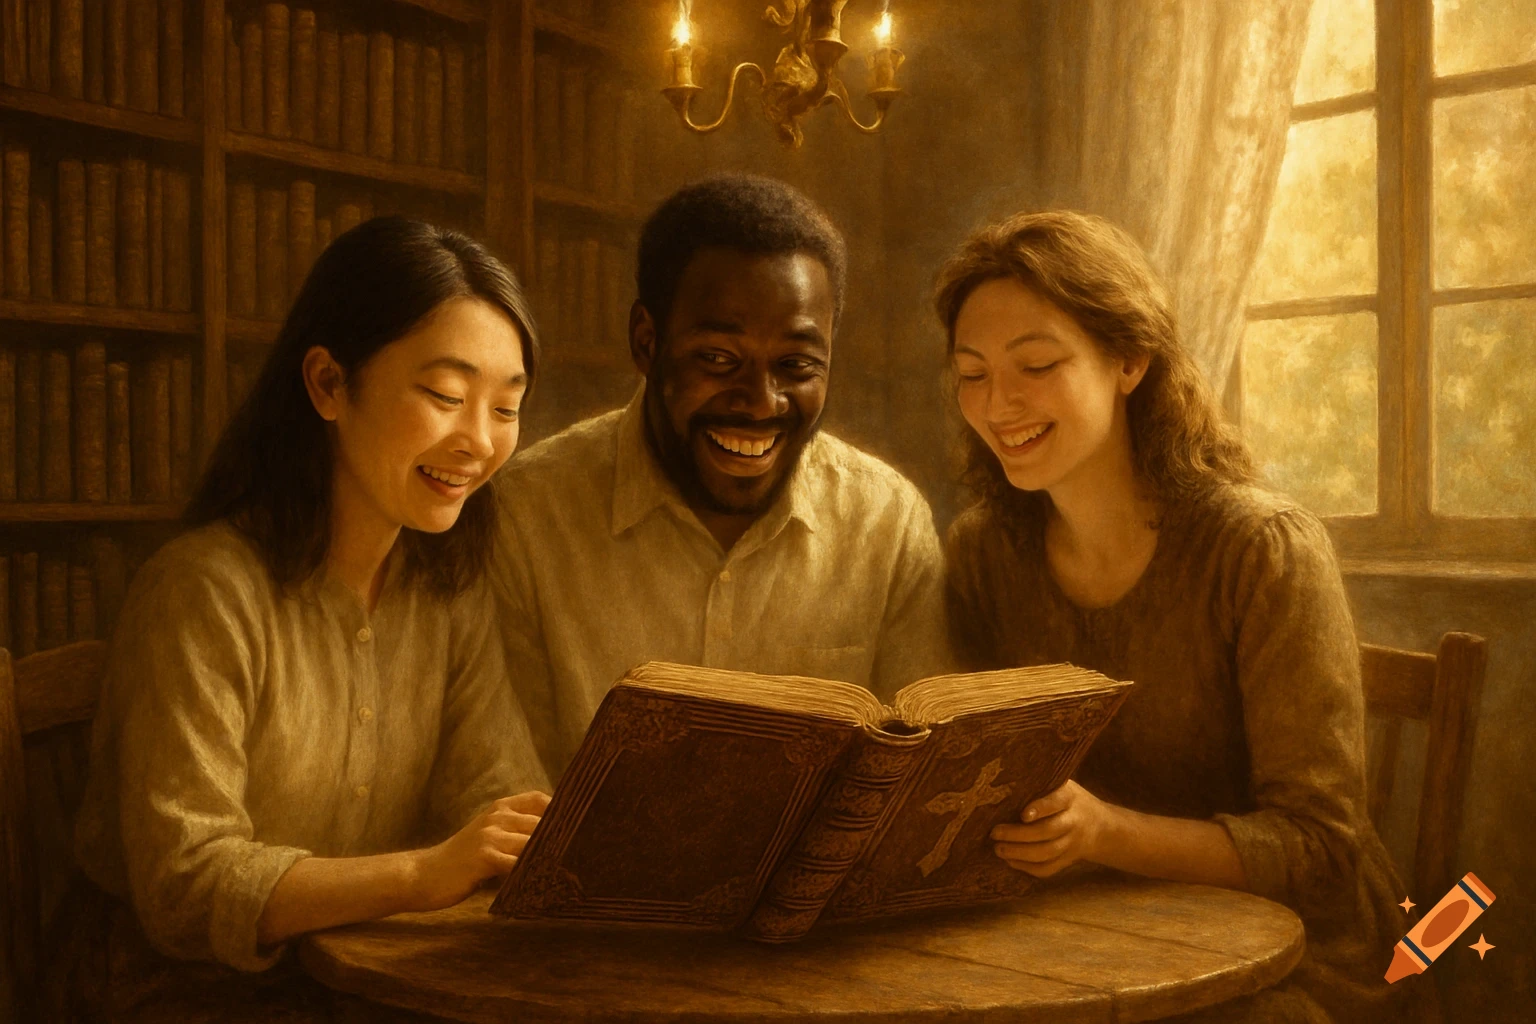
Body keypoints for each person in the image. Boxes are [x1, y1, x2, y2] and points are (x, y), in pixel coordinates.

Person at [937, 211, 1434, 1024]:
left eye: (1036, 363)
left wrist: (1103, 835)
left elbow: (1321, 850)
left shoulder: (1262, 548)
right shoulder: (984, 554)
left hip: (1303, 962)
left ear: (1130, 360)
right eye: (972, 373)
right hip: (1092, 940)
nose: (999, 404)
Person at [68, 217, 550, 1021]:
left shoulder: (446, 594)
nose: (478, 441)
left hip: (353, 987)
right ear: (328, 383)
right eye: (444, 396)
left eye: (506, 408)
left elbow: (495, 796)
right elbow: (186, 885)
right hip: (172, 996)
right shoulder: (204, 589)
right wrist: (422, 875)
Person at [491, 174, 952, 780]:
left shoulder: (888, 523)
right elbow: (508, 793)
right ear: (646, 341)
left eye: (796, 365)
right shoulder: (527, 512)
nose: (761, 402)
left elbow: (918, 776)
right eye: (718, 359)